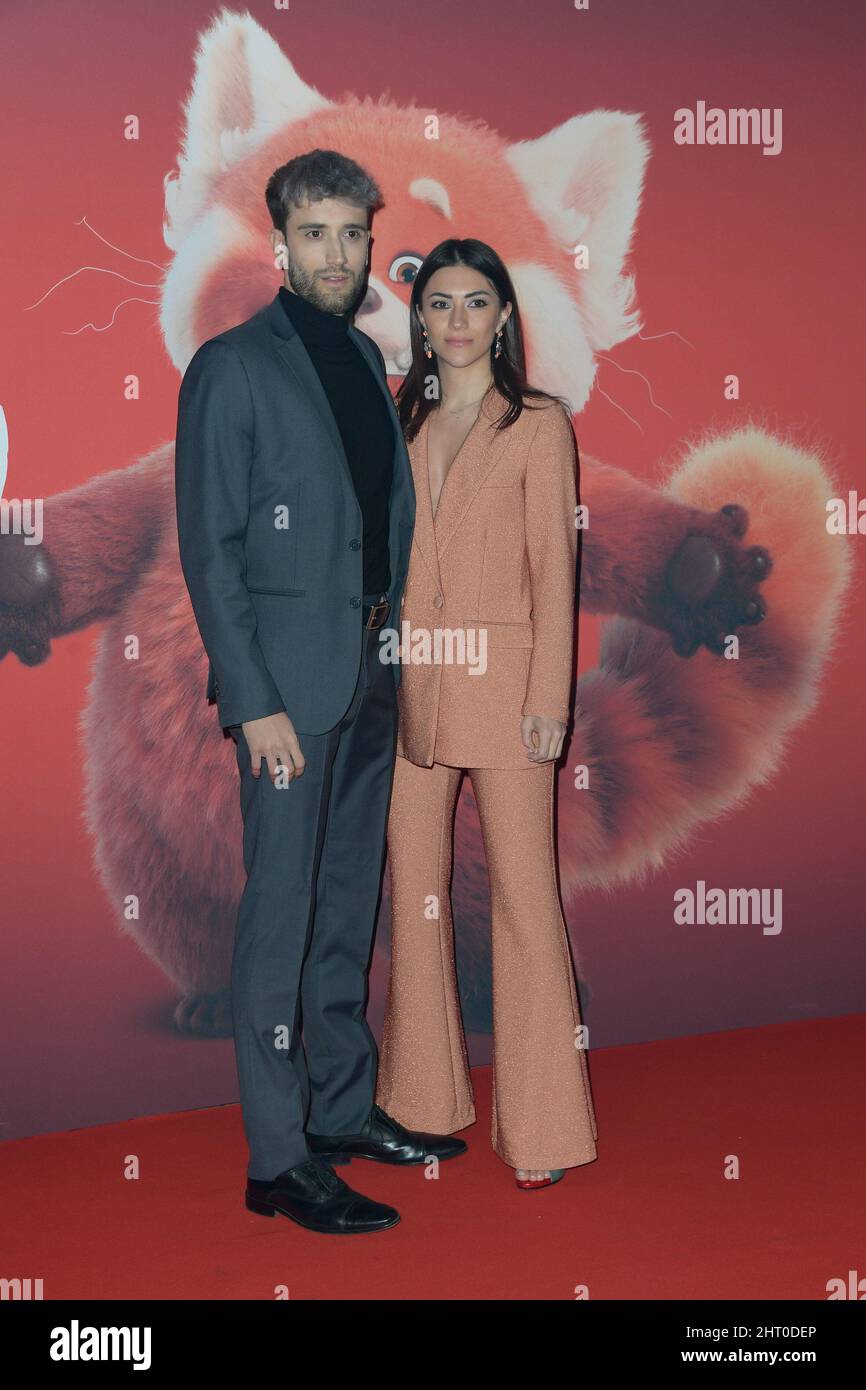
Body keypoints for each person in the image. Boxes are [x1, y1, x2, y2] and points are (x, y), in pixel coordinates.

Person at [174, 149, 465, 1237]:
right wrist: (252, 701)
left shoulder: (358, 352)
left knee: (346, 908)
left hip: (369, 677)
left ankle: (341, 1110)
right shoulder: (230, 366)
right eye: (317, 235)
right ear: (280, 242)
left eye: (354, 234)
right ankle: (277, 1157)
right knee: (281, 918)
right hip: (285, 699)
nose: (338, 254)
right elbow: (212, 549)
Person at [374, 239, 598, 1189]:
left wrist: (550, 702)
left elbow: (558, 572)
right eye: (439, 304)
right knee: (414, 903)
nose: (457, 321)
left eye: (476, 302)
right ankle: (421, 1102)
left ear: (504, 316)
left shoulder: (540, 425)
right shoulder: (402, 415)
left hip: (509, 700)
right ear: (419, 321)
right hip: (411, 699)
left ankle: (543, 1131)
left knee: (523, 902)